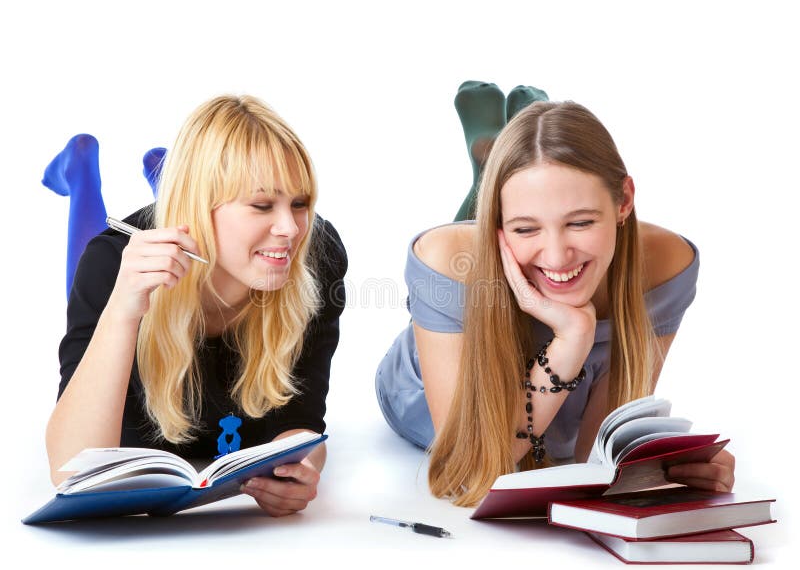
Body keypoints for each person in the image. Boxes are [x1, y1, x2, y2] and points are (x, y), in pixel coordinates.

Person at [375, 96, 734, 507]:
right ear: (499, 226)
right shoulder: (440, 259)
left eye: (580, 222)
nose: (557, 256)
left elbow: (595, 459)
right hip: (425, 385)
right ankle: (488, 176)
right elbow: (471, 473)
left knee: (526, 232)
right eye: (525, 228)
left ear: (624, 201)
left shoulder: (665, 264)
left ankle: (497, 173)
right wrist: (571, 339)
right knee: (468, 260)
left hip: (550, 403)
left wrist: (669, 468)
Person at [46, 95, 347, 517]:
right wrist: (122, 310)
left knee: (225, 245)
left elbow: (302, 416)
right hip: (135, 259)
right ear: (200, 210)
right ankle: (81, 174)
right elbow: (70, 471)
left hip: (202, 230)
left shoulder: (317, 255)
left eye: (300, 203)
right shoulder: (112, 265)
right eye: (262, 204)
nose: (291, 228)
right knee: (92, 258)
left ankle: (166, 174)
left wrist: (301, 470)